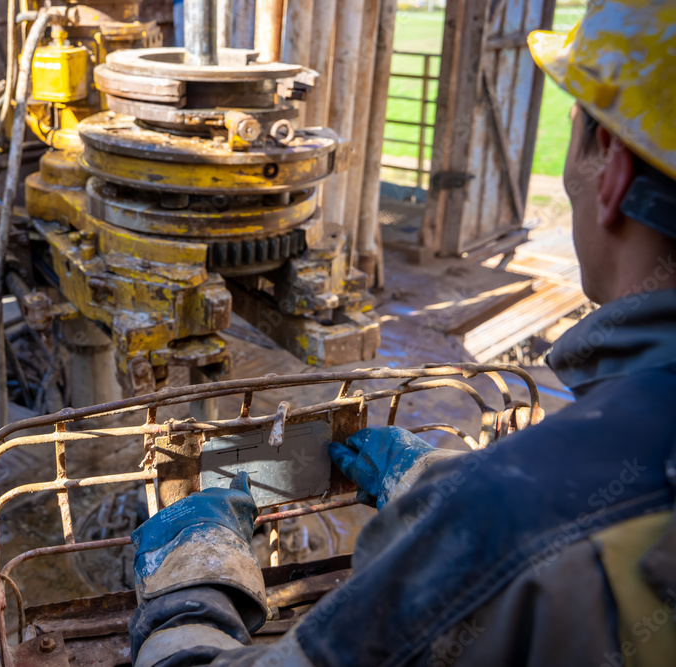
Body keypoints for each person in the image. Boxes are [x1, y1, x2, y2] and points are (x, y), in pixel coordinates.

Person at [126, 1, 676, 665]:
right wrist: (438, 487)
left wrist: (190, 579)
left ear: (611, 170)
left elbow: (537, 534)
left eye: (574, 125)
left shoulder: (516, 521)